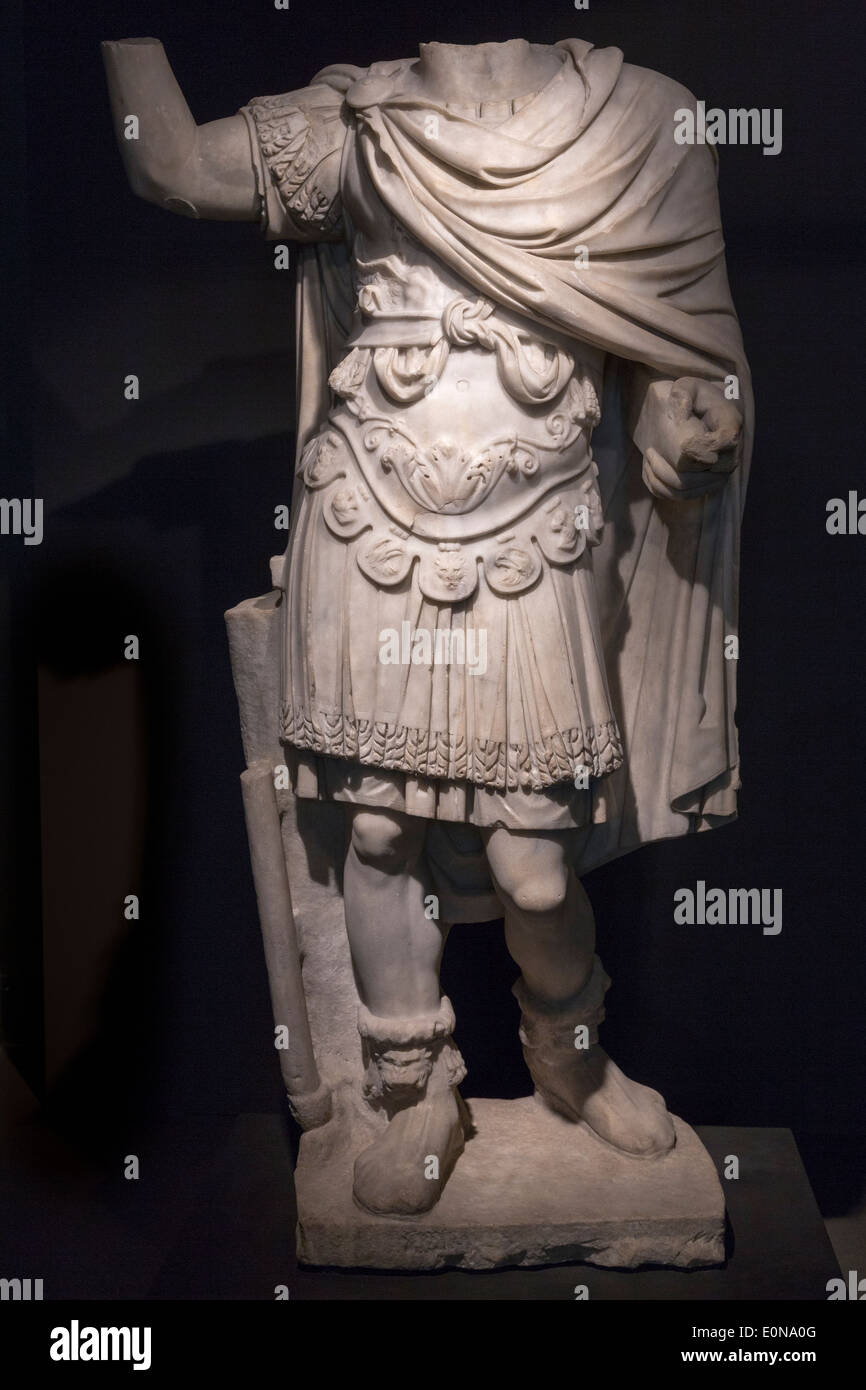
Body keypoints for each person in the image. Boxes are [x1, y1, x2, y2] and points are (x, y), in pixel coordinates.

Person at [102, 36, 750, 1217]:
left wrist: (688, 422)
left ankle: (573, 1058)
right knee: (382, 836)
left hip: (534, 527)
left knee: (534, 869)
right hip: (370, 513)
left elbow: (675, 346)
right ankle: (410, 1094)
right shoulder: (359, 123)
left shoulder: (641, 127)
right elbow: (174, 169)